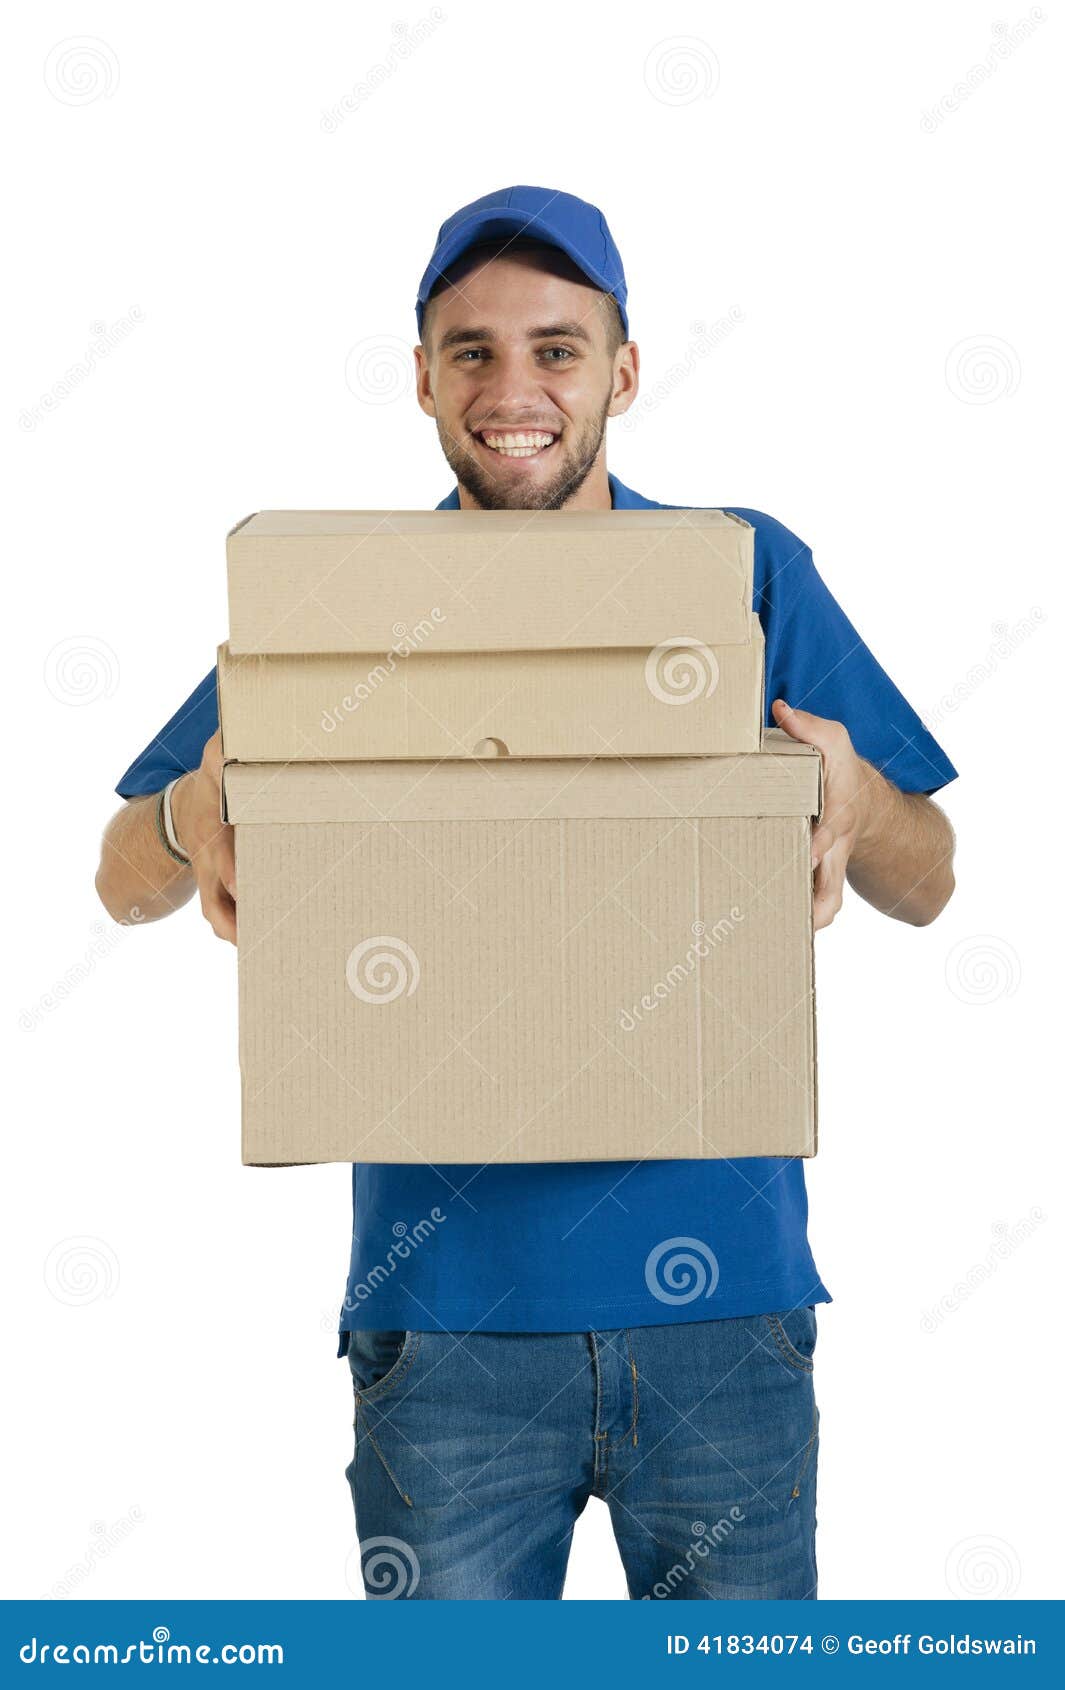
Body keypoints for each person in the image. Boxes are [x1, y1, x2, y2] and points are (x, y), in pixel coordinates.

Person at [95, 186, 957, 1601]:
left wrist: (857, 807)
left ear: (621, 371)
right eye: (472, 351)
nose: (514, 390)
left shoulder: (741, 570)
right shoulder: (351, 600)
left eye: (556, 349)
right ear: (422, 376)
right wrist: (199, 811)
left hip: (728, 1312)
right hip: (445, 1329)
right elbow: (119, 874)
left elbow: (927, 881)